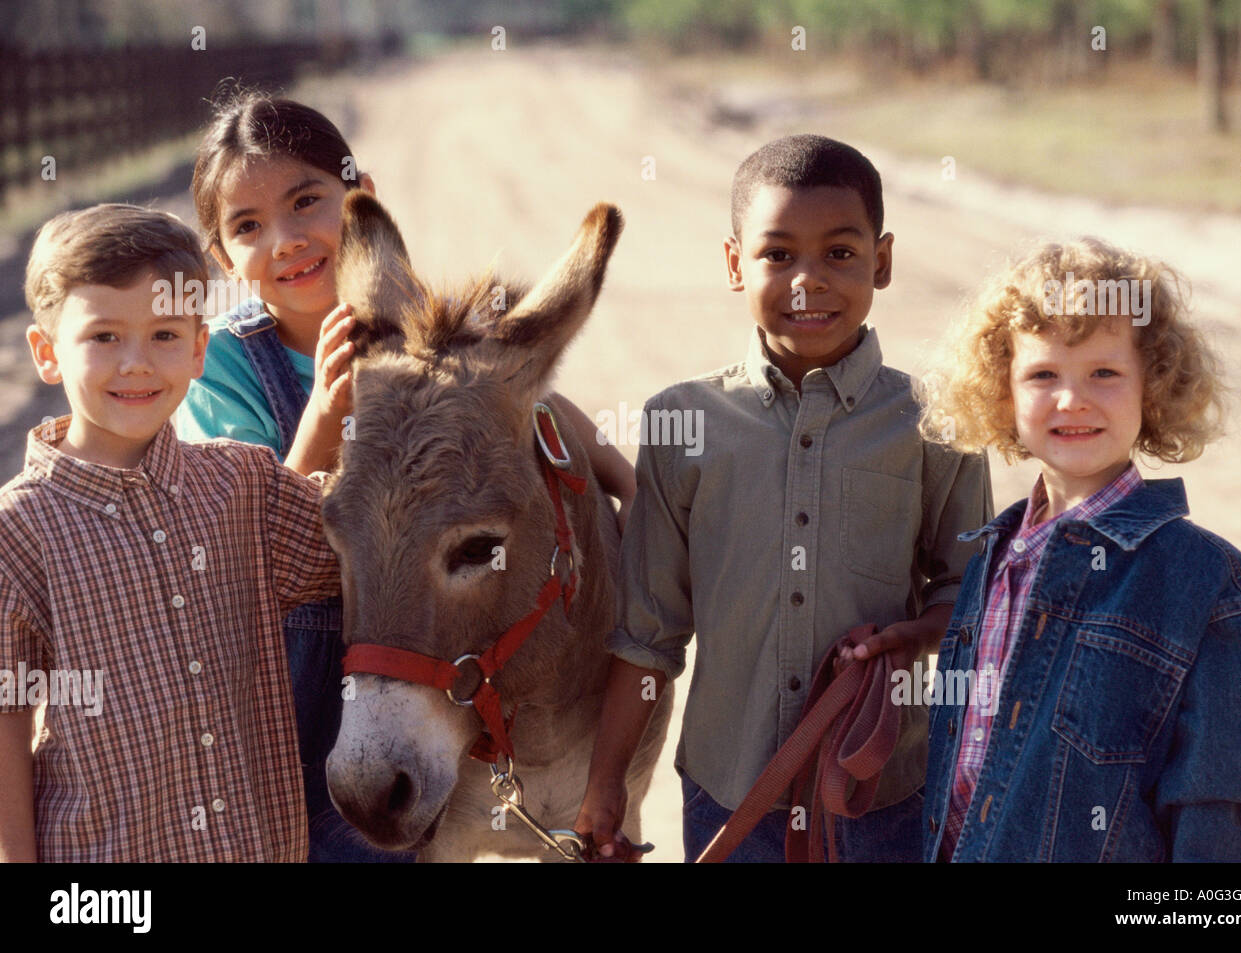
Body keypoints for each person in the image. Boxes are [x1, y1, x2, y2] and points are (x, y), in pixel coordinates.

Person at [176, 92, 636, 861]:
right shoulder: (222, 363)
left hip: (403, 654)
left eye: (306, 202)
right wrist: (323, 415)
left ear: (360, 197)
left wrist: (626, 481)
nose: (286, 240)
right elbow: (247, 531)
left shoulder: (411, 325)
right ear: (222, 259)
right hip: (289, 679)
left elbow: (520, 402)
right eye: (248, 227)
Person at [574, 134, 992, 862]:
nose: (808, 281)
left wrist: (905, 637)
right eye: (778, 255)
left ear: (881, 262)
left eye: (839, 253)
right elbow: (649, 632)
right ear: (736, 264)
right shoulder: (683, 423)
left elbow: (974, 603)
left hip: (885, 789)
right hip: (729, 791)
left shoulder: (938, 422)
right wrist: (606, 783)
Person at [915, 237, 1241, 861]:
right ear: (1003, 393)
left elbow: (1215, 823)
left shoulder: (1207, 580)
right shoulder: (990, 558)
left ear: (1155, 386)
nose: (1072, 399)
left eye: (1104, 373)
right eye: (1042, 374)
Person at [0, 204, 338, 861]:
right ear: (47, 353)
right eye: (103, 336)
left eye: (163, 334)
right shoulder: (19, 531)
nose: (136, 363)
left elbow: (367, 546)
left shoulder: (246, 485)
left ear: (198, 348)